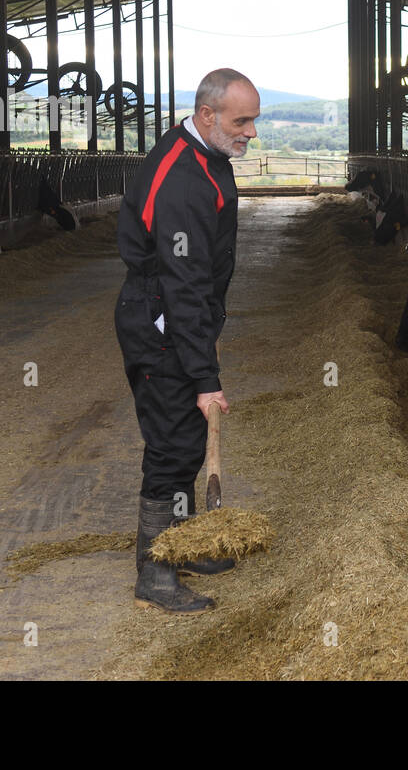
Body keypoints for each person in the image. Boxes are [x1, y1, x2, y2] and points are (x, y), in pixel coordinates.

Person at [114, 68, 259, 613]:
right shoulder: (183, 178)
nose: (250, 132)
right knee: (173, 446)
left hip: (176, 312)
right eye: (241, 120)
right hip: (160, 319)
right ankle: (154, 571)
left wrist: (207, 334)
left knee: (185, 442)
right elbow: (183, 284)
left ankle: (185, 543)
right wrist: (204, 378)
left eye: (254, 120)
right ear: (206, 115)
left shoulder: (205, 157)